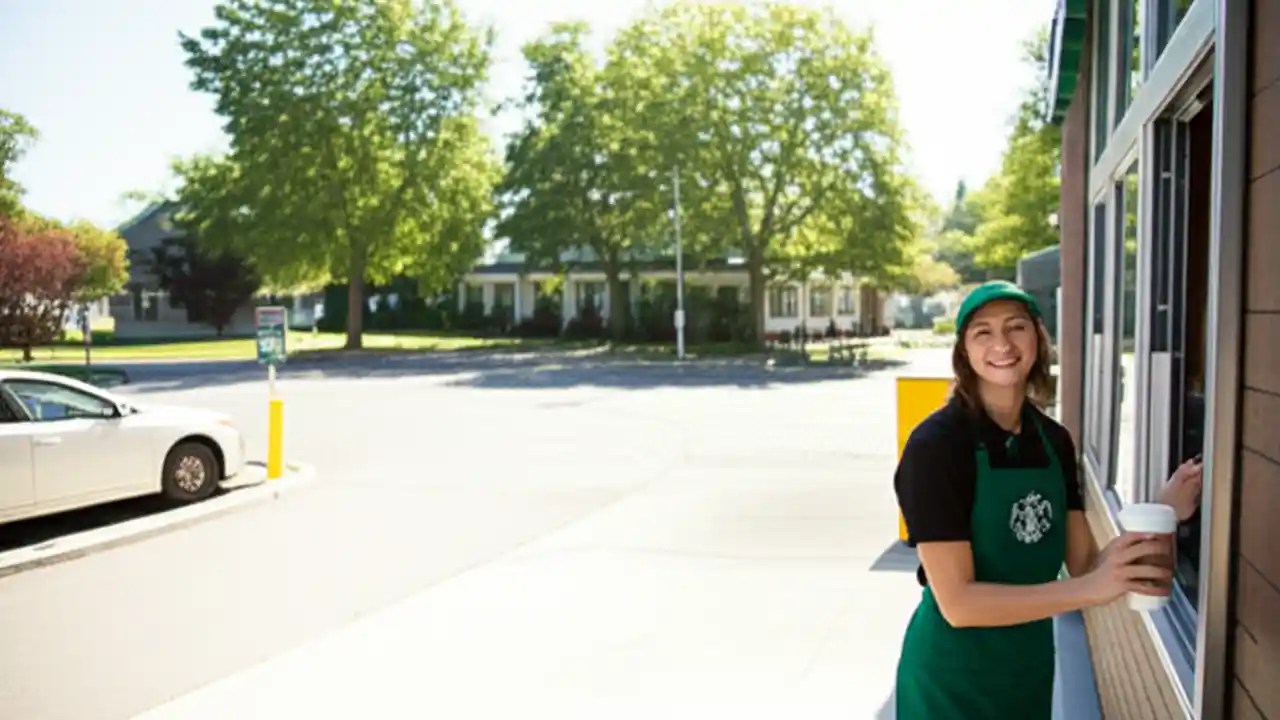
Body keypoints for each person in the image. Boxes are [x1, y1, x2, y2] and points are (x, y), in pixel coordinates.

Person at [893, 280, 1182, 720]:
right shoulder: (937, 446)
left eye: (1016, 327)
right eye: (983, 332)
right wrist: (1086, 591)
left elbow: (1085, 564)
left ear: (1037, 339)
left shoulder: (1054, 441)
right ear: (964, 352)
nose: (1002, 344)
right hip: (950, 679)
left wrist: (1163, 512)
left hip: (1027, 669)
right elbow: (958, 604)